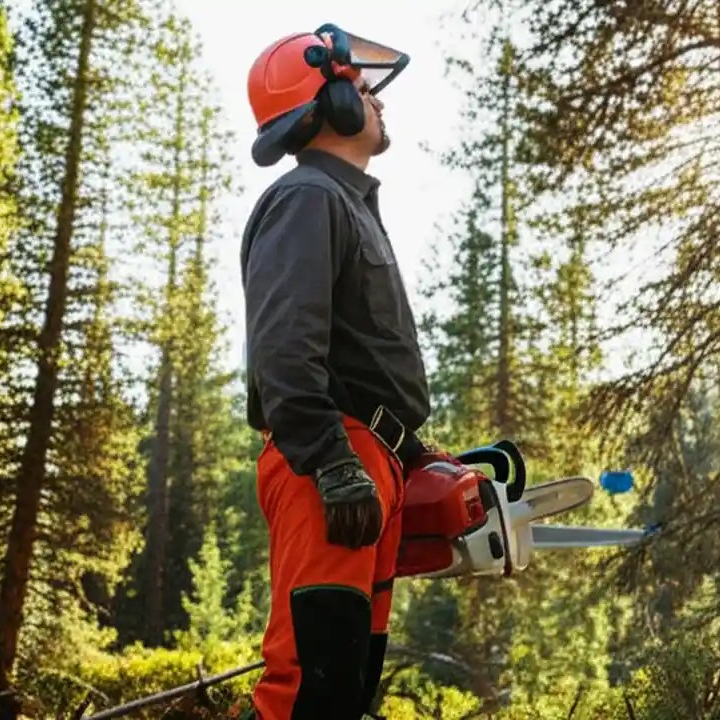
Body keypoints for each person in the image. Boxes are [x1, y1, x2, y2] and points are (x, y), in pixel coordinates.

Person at [240, 24, 434, 720]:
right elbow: (284, 344)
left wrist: (408, 451)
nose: (377, 102)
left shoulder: (347, 204)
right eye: (361, 89)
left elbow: (357, 353)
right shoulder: (309, 199)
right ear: (332, 107)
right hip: (328, 461)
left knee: (347, 685)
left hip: (364, 457)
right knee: (307, 688)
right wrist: (330, 458)